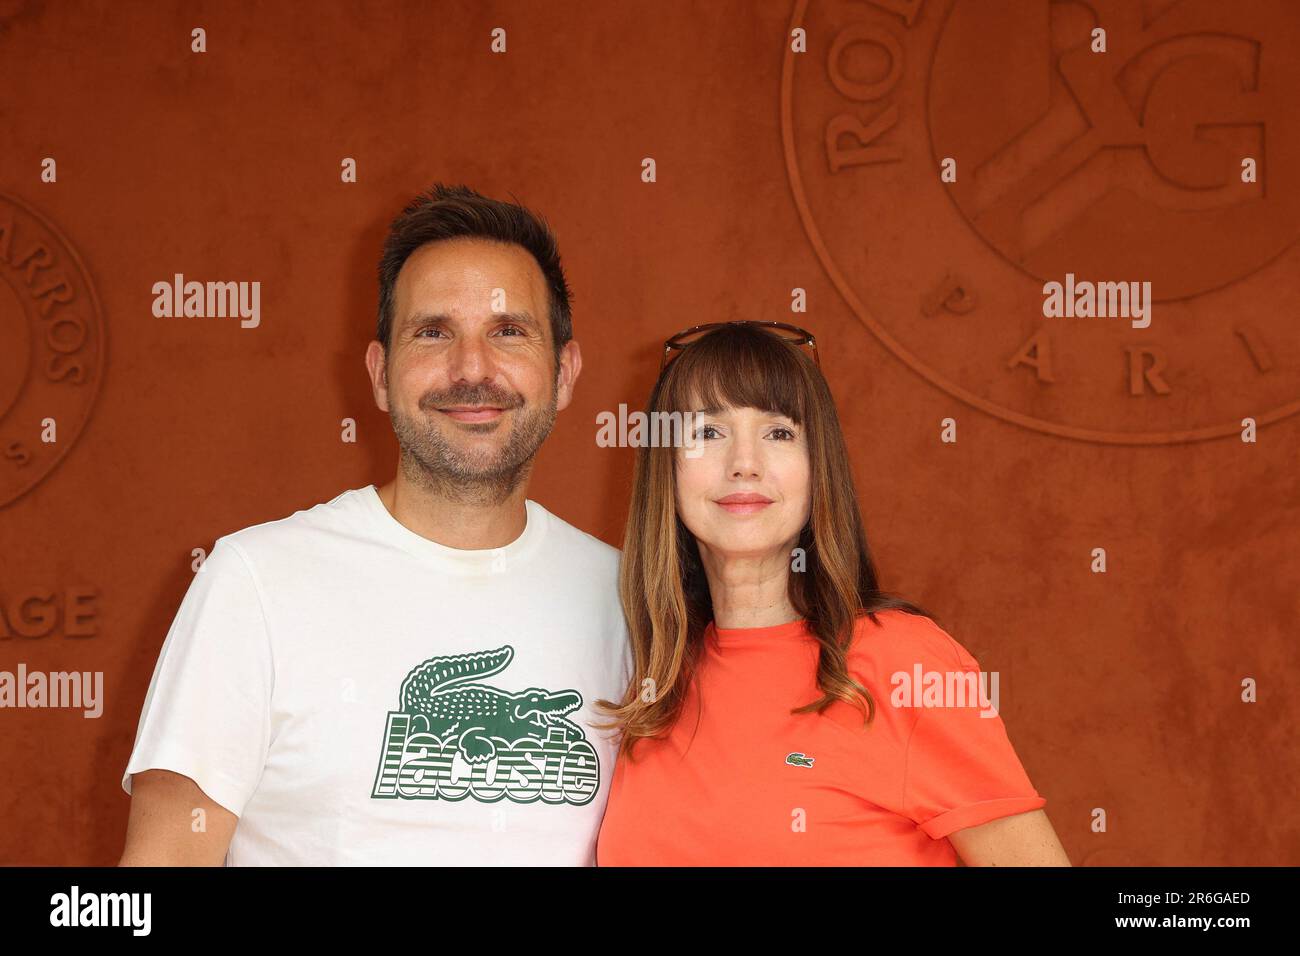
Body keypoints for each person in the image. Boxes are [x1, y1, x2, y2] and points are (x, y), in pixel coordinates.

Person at [119, 184, 630, 865]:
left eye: (508, 331)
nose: (472, 369)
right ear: (381, 373)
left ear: (563, 373)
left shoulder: (630, 597)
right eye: (433, 332)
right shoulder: (255, 583)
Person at [594, 321, 1070, 866]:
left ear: (818, 468)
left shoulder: (903, 663)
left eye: (778, 433)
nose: (744, 463)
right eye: (707, 432)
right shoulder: (651, 680)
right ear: (665, 468)